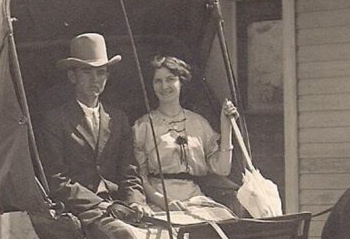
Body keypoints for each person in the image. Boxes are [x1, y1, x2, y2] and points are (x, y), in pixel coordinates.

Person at [37, 32, 152, 229]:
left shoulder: (118, 119)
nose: (95, 79)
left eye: (101, 73)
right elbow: (56, 180)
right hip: (77, 210)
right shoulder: (56, 120)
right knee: (119, 234)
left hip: (117, 205)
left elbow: (129, 172)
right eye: (87, 72)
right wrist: (100, 205)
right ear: (73, 76)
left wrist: (136, 201)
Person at [133, 55, 240, 212]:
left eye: (170, 79)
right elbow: (139, 176)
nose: (164, 86)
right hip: (159, 202)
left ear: (181, 82)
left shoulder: (198, 123)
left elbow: (223, 170)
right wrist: (164, 202)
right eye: (158, 81)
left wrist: (226, 126)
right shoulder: (143, 126)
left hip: (196, 200)